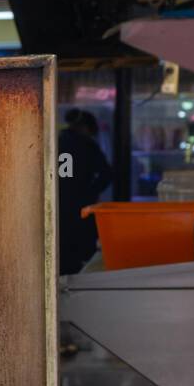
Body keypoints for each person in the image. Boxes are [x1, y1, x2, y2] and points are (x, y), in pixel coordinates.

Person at [57, 108, 114, 274]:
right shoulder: (87, 145)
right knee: (81, 257)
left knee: (62, 253)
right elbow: (107, 174)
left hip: (57, 207)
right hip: (81, 209)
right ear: (85, 128)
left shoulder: (54, 141)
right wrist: (90, 192)